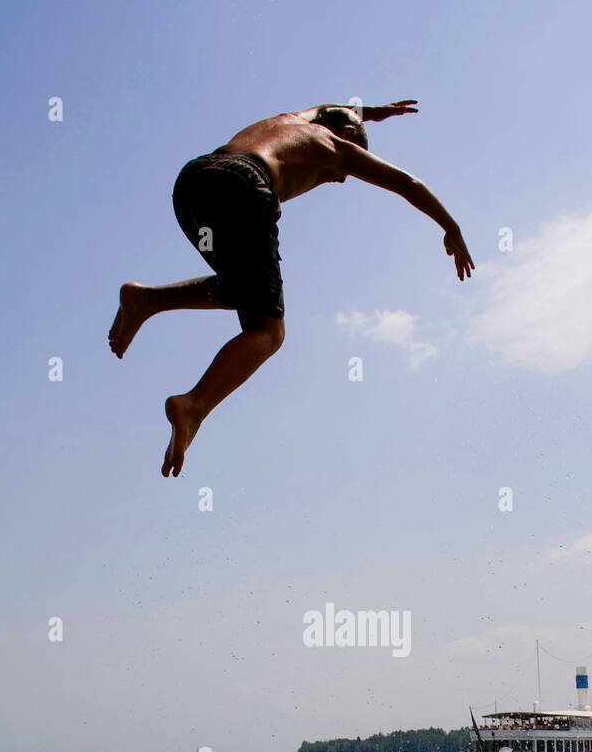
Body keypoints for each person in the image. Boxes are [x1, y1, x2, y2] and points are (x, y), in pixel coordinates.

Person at [108, 99, 474, 479]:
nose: (339, 178)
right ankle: (193, 406)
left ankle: (145, 299)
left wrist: (373, 112)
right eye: (343, 173)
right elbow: (407, 183)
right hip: (244, 187)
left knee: (242, 291)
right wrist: (451, 227)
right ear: (345, 134)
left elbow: (326, 107)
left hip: (194, 185)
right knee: (269, 331)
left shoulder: (288, 120)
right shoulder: (334, 145)